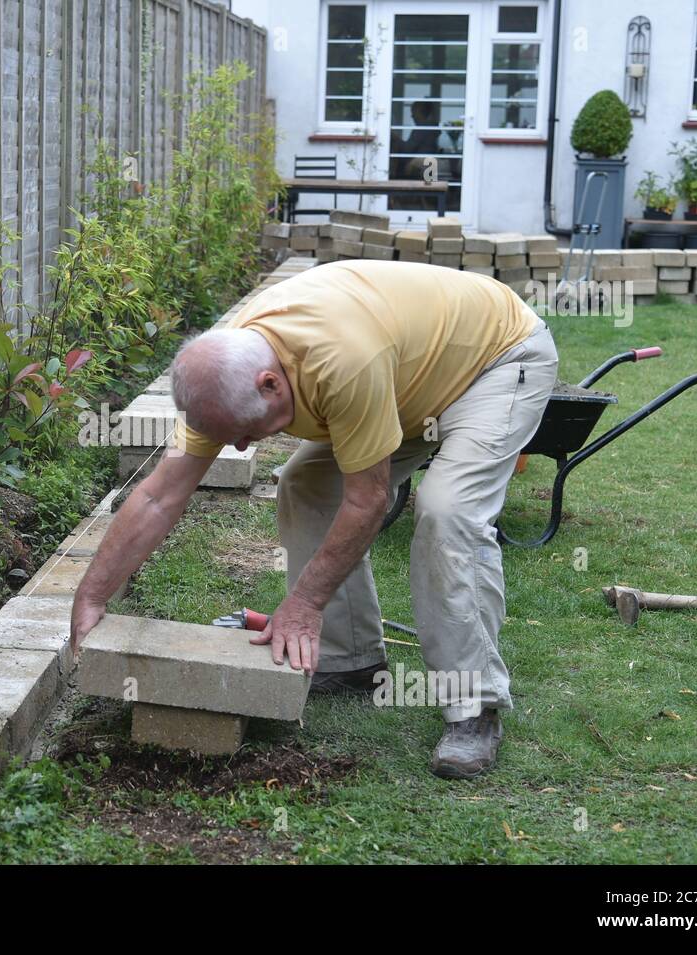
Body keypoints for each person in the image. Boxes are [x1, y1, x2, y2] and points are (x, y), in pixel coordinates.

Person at [69, 259, 559, 778]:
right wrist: (94, 593)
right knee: (305, 484)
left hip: (496, 361)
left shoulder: (342, 360)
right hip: (410, 379)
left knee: (447, 511)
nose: (235, 445)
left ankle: (474, 707)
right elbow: (158, 497)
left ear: (269, 385)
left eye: (243, 432)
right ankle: (350, 664)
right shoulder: (224, 371)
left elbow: (367, 502)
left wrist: (303, 603)